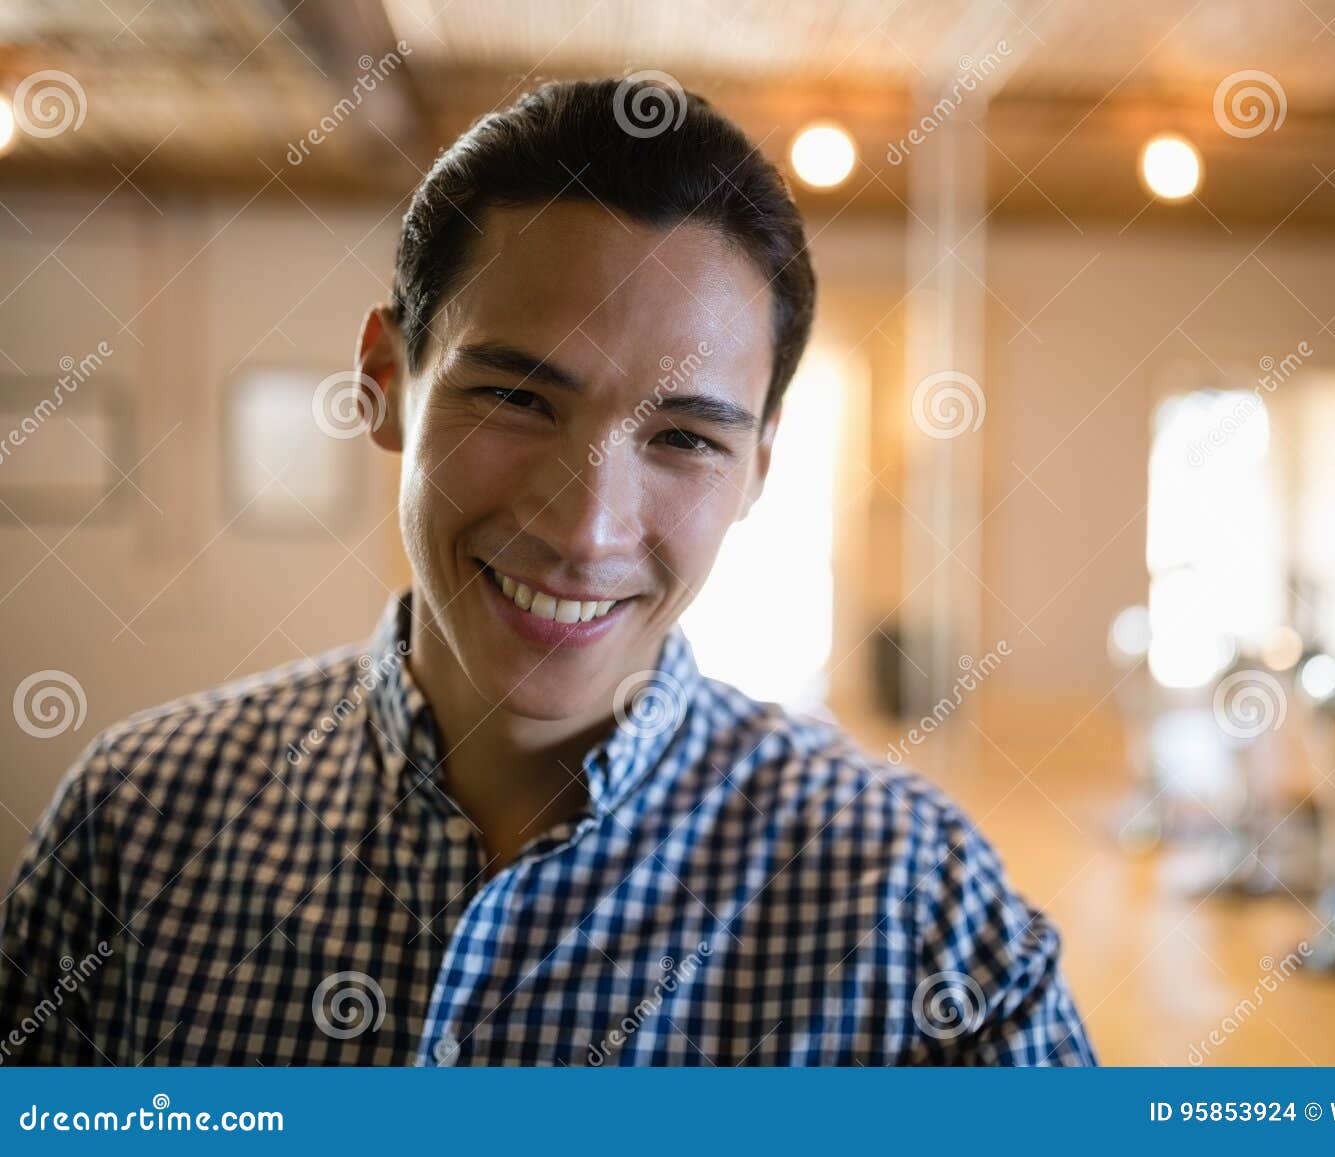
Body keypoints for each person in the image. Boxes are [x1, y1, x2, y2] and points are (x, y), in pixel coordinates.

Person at [0, 77, 1094, 1067]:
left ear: (757, 469)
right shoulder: (137, 823)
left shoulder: (918, 906)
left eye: (684, 438)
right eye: (518, 398)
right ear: (384, 380)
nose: (585, 527)